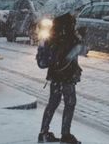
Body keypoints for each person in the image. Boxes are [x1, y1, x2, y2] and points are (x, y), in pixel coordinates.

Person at [39, 12, 83, 144]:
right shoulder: (69, 32)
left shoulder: (54, 32)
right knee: (70, 102)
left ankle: (43, 132)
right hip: (67, 75)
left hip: (55, 74)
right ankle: (65, 134)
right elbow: (76, 51)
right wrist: (79, 40)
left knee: (53, 102)